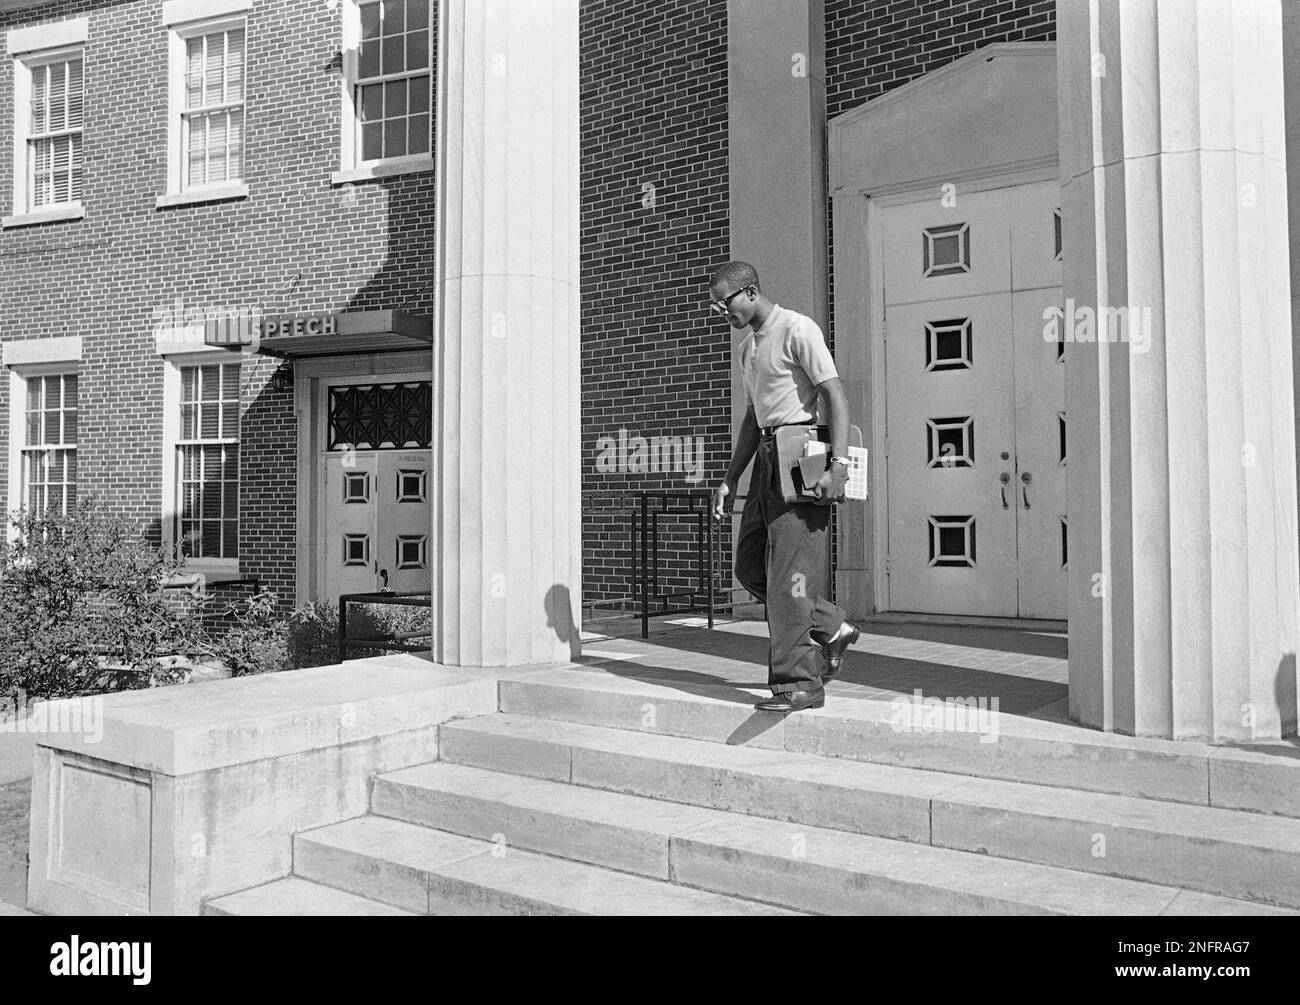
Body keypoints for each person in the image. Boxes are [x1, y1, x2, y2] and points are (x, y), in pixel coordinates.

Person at [709, 261, 860, 712]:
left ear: (750, 291)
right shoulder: (746, 350)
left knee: (789, 577)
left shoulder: (798, 329)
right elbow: (753, 420)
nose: (722, 311)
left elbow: (835, 395)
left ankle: (800, 684)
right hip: (767, 460)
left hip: (803, 452)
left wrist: (840, 464)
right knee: (751, 567)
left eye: (725, 301)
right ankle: (832, 624)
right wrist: (730, 479)